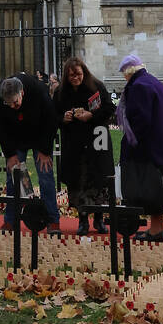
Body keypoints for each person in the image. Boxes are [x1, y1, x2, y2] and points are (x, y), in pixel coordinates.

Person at [116, 54, 163, 243]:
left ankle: (156, 230)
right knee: (157, 189)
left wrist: (129, 143)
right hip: (162, 145)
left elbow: (140, 120)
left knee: (152, 189)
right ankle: (155, 228)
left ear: (128, 72)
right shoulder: (153, 81)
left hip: (150, 148)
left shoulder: (139, 87)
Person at [0, 74, 61, 234]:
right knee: (14, 177)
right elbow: (0, 128)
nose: (12, 107)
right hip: (16, 138)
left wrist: (44, 151)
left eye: (15, 103)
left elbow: (51, 120)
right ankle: (11, 220)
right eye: (8, 104)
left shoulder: (37, 90)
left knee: (45, 175)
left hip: (39, 135)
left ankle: (52, 220)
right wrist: (10, 154)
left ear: (22, 93)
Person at [54, 57, 115, 236]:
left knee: (98, 179)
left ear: (84, 73)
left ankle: (99, 219)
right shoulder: (60, 92)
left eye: (78, 74)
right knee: (77, 181)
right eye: (72, 75)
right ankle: (82, 220)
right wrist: (62, 119)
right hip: (73, 143)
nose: (75, 78)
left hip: (96, 140)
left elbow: (109, 109)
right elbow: (53, 115)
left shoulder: (96, 86)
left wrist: (91, 116)